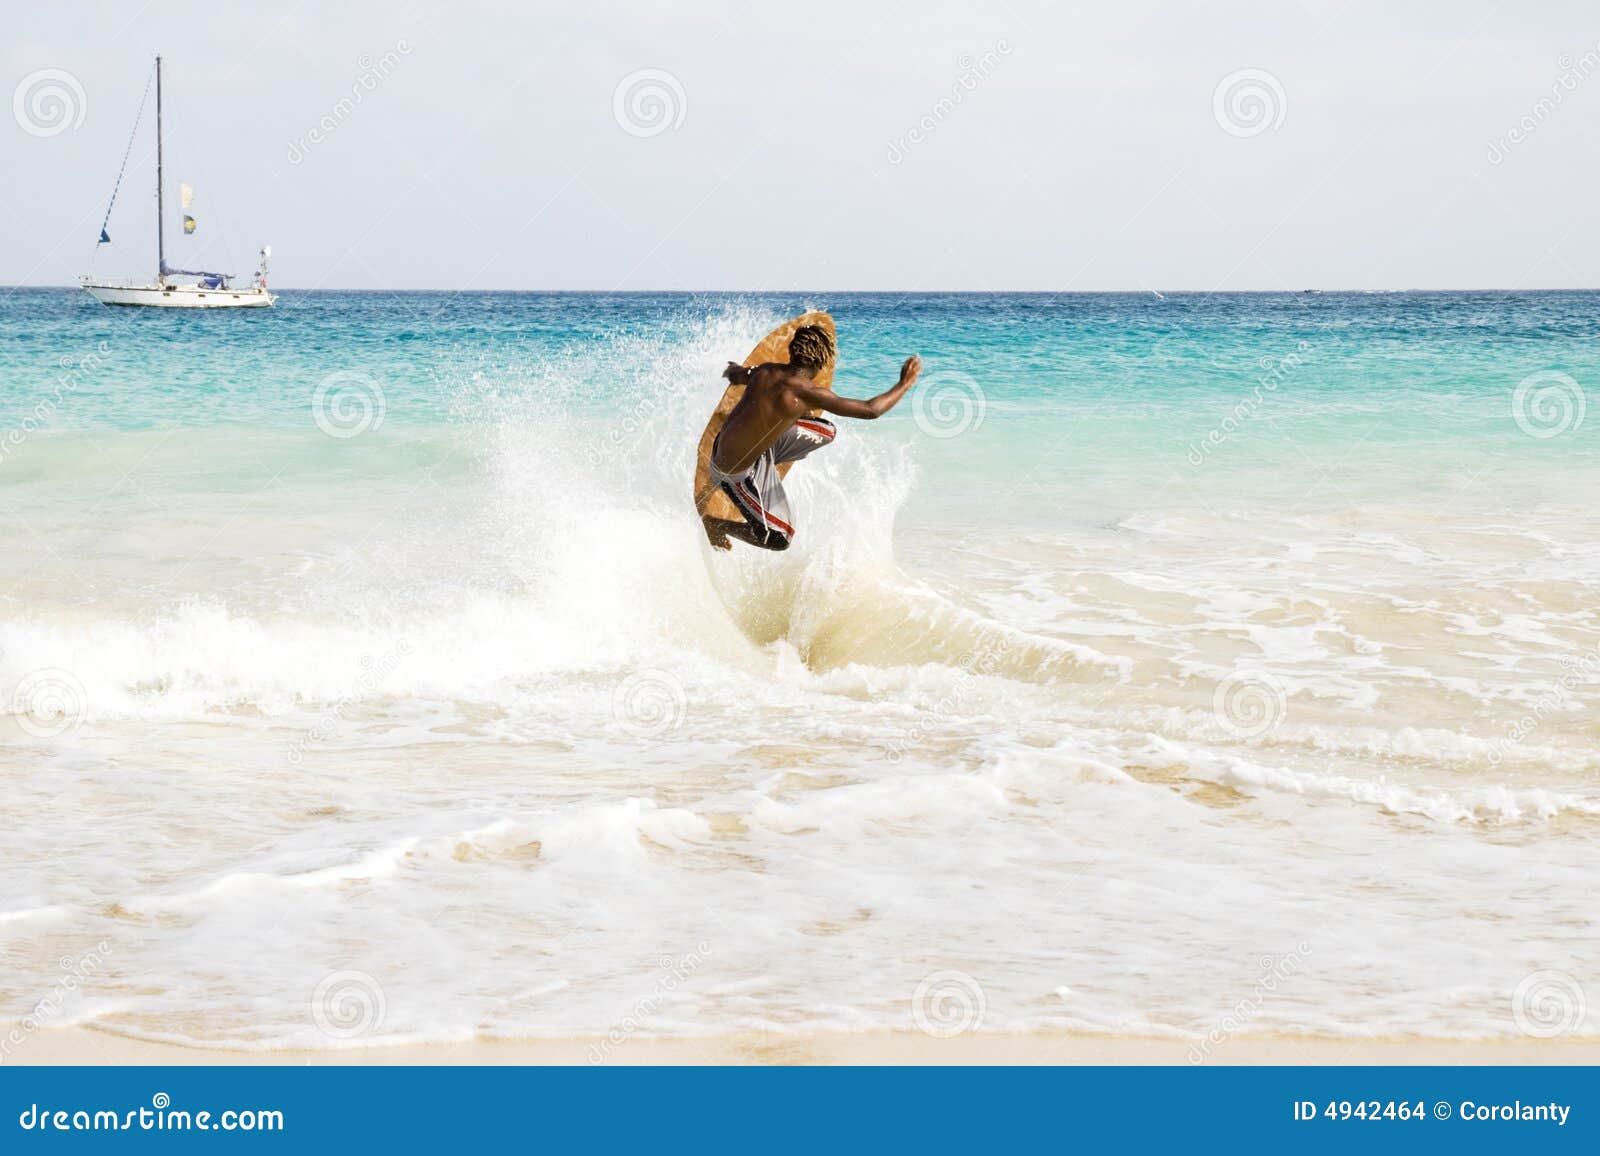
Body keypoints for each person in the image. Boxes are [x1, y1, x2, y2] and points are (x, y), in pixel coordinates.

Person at [705, 325, 921, 551]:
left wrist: (732, 369)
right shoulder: (809, 394)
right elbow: (871, 410)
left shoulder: (764, 371)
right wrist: (904, 383)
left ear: (792, 351)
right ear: (821, 362)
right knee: (780, 538)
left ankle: (765, 452)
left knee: (826, 430)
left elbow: (736, 375)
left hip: (729, 443)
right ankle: (716, 525)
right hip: (732, 473)